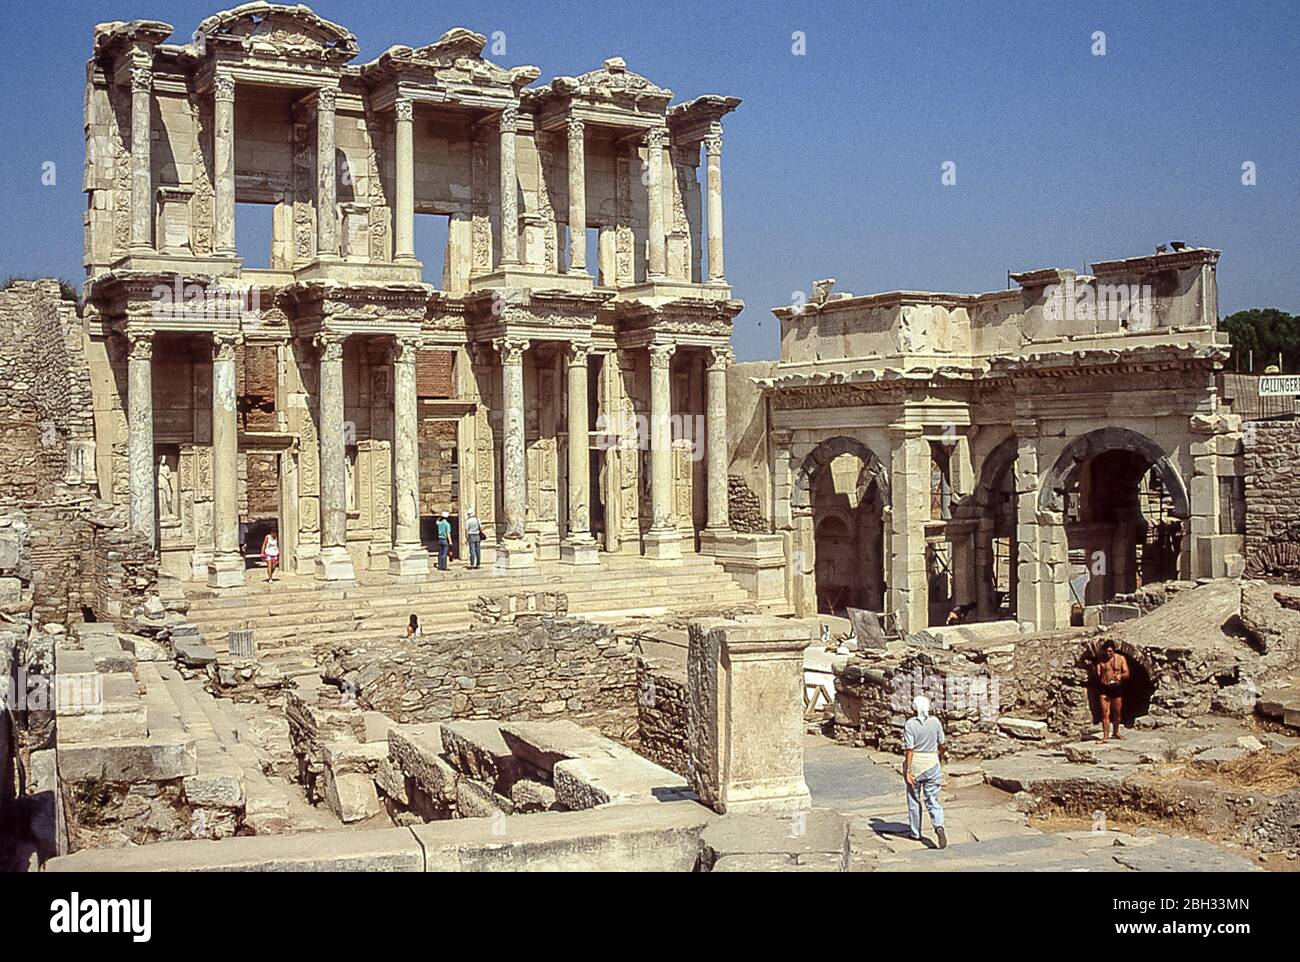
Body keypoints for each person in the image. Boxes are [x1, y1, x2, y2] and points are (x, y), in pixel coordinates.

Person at [902, 695, 947, 849]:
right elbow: (942, 743)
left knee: (914, 798)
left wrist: (908, 770)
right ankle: (938, 824)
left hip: (916, 765)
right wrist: (940, 756)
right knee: (932, 798)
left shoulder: (910, 725)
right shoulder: (935, 722)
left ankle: (915, 832)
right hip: (932, 762)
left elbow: (909, 749)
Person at [1091, 640, 1129, 741]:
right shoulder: (1101, 660)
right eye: (1107, 651)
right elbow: (1097, 674)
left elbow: (1127, 673)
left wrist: (1120, 676)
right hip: (1105, 687)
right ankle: (1105, 736)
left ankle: (1116, 732)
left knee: (1117, 712)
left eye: (1111, 651)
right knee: (1105, 713)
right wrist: (1095, 669)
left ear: (1114, 651)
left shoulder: (1121, 659)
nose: (1109, 653)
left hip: (1116, 687)